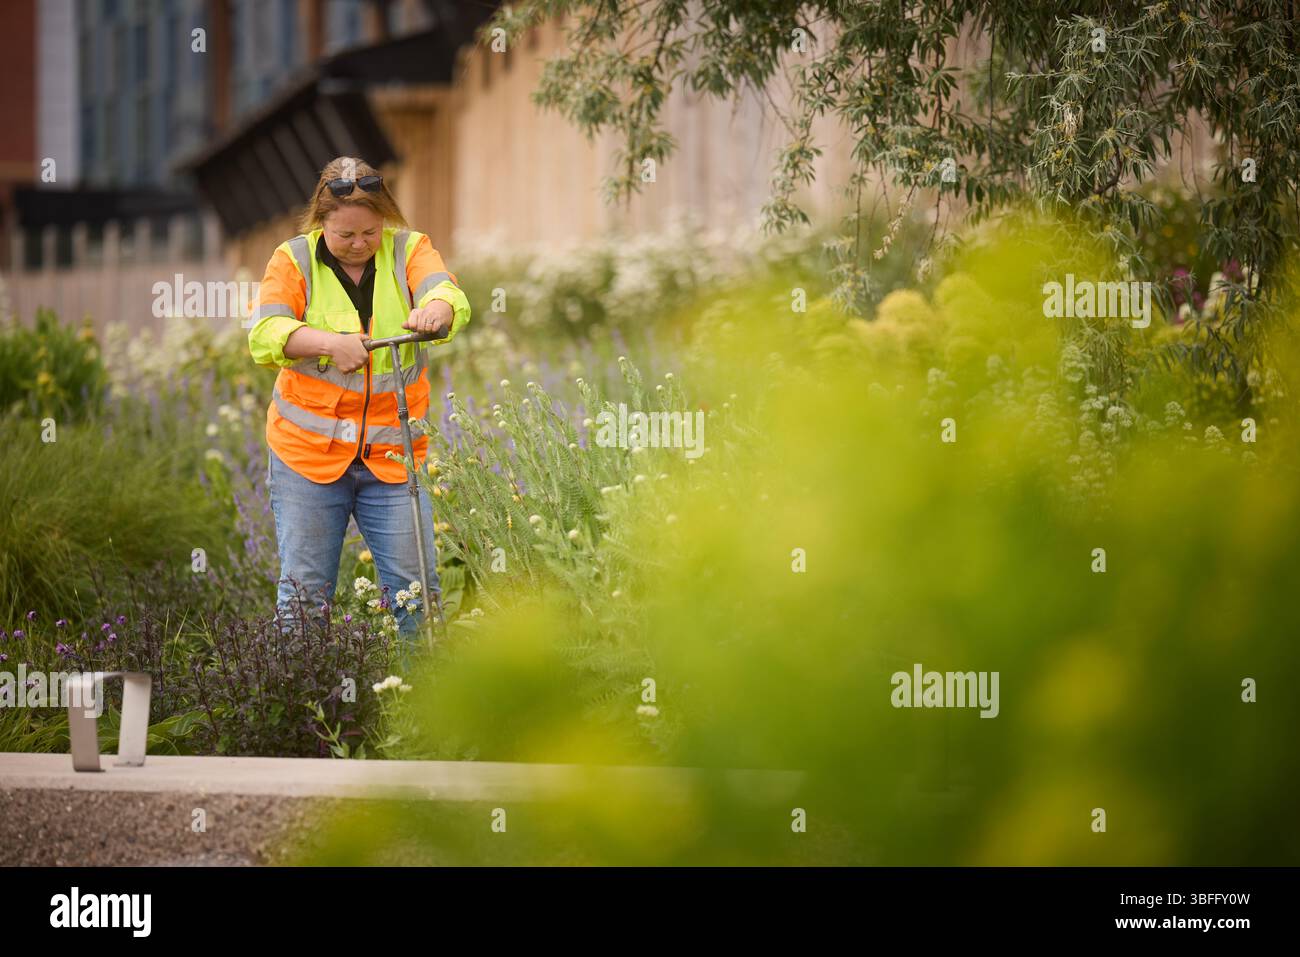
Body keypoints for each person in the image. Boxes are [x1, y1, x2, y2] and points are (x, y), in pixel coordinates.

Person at [246, 156, 470, 645]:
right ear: (320, 221)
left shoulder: (409, 249)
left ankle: (422, 709)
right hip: (308, 460)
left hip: (391, 463)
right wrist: (327, 343)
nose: (360, 245)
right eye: (345, 235)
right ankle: (298, 709)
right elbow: (264, 335)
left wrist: (436, 308)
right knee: (305, 599)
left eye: (369, 232)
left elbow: (447, 294)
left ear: (384, 219)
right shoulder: (292, 260)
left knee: (418, 596)